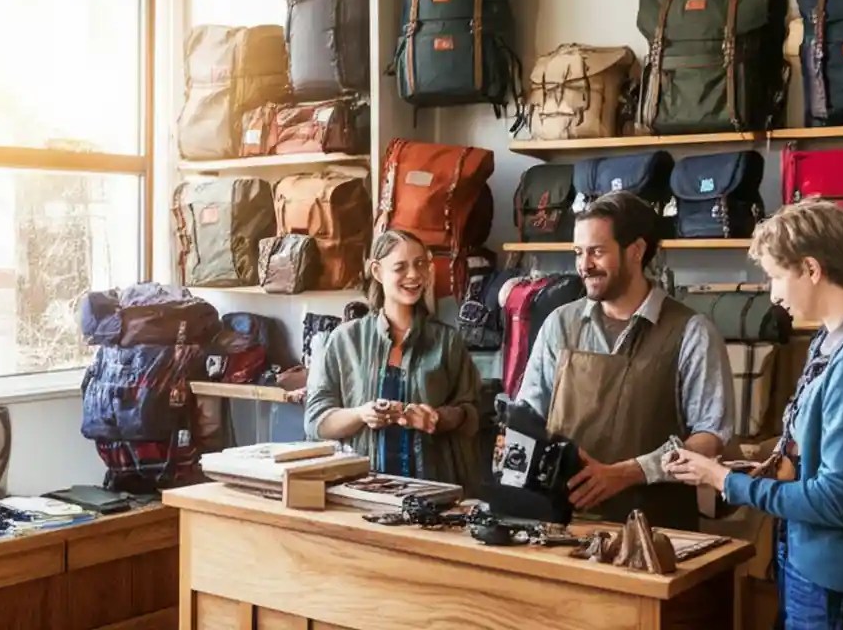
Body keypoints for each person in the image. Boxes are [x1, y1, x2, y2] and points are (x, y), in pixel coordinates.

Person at [666, 200, 843, 629]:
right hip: (806, 564)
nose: (773, 294)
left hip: (835, 584)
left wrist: (724, 481)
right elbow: (810, 461)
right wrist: (737, 469)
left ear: (811, 269)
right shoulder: (829, 341)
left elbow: (840, 502)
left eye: (777, 276)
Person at [516, 190, 733, 531]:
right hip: (564, 527)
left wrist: (629, 472)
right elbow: (527, 415)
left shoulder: (692, 332)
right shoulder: (559, 324)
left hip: (658, 532)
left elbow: (709, 438)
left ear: (636, 251)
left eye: (597, 251)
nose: (584, 265)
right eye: (578, 252)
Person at [303, 228, 482, 493]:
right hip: (360, 492)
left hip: (432, 493)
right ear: (377, 271)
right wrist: (361, 414)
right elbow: (316, 421)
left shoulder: (447, 341)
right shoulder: (345, 339)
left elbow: (472, 414)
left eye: (420, 264)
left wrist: (436, 418)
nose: (414, 275)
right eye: (400, 267)